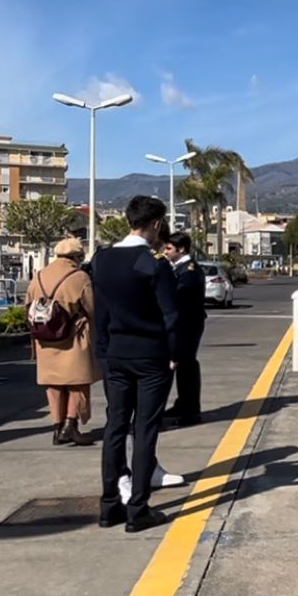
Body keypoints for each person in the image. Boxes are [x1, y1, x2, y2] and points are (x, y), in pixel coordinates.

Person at [91, 195, 183, 533]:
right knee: (144, 430)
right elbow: (171, 315)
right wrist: (174, 354)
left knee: (115, 427)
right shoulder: (154, 263)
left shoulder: (101, 259)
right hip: (150, 356)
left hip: (115, 354)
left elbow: (99, 312)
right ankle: (138, 508)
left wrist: (103, 351)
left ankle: (108, 504)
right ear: (156, 223)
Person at [29, 237, 97, 445]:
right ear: (76, 256)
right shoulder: (79, 277)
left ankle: (57, 427)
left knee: (54, 385)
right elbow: (92, 308)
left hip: (45, 338)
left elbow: (28, 304)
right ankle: (71, 425)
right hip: (73, 338)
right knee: (77, 382)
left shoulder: (39, 276)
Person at [164, 232, 206, 427]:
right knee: (182, 365)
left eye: (169, 248)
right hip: (184, 323)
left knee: (187, 364)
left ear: (181, 249)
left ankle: (190, 410)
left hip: (187, 324)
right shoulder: (178, 268)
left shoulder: (188, 271)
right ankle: (183, 404)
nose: (166, 251)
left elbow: (180, 298)